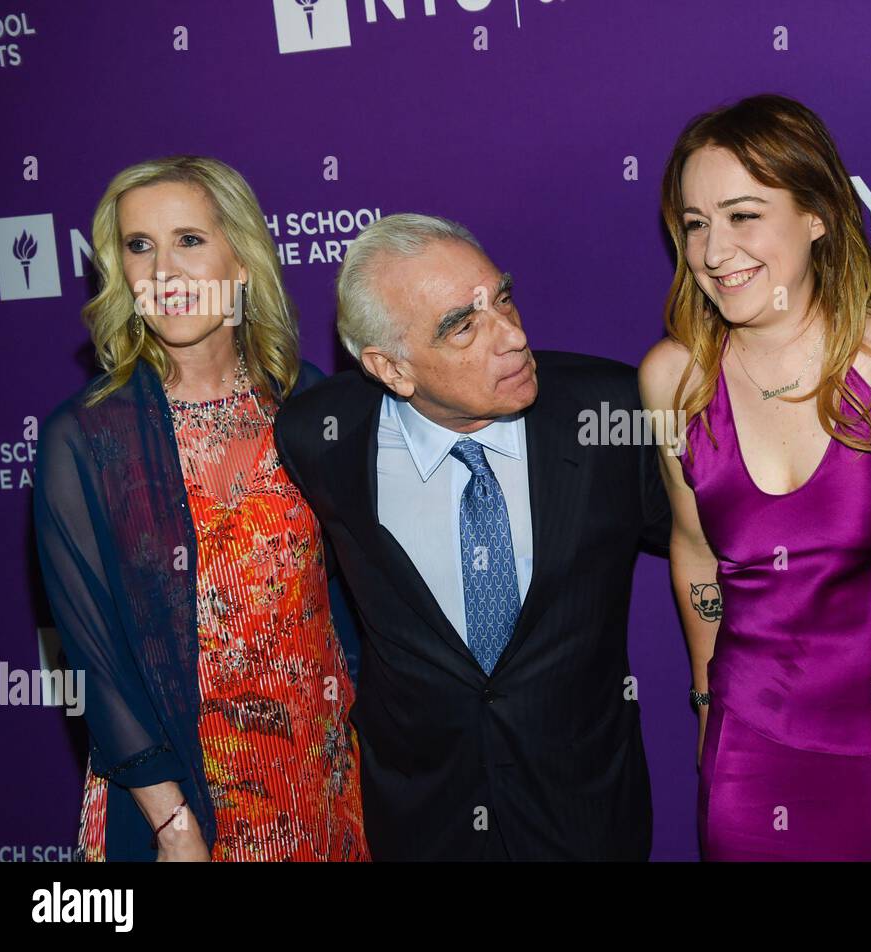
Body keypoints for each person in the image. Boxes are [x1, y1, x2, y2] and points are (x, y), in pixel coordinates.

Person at [273, 213, 671, 861]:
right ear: (390, 368)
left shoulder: (614, 414)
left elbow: (719, 549)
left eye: (503, 298)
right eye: (463, 326)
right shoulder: (320, 437)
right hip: (421, 817)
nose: (513, 336)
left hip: (584, 811)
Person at [639, 94, 871, 861]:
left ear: (818, 213)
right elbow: (693, 551)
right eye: (693, 224)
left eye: (744, 216)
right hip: (749, 748)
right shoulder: (673, 379)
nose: (715, 251)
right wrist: (704, 705)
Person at [33, 155, 368, 862]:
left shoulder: (306, 404)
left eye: (189, 240)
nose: (163, 271)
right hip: (180, 789)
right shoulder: (89, 436)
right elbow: (94, 656)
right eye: (139, 246)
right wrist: (171, 823)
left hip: (320, 774)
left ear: (241, 262)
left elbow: (353, 596)